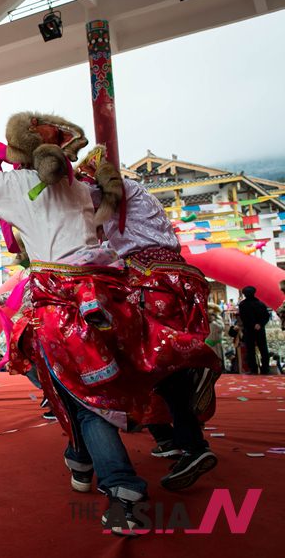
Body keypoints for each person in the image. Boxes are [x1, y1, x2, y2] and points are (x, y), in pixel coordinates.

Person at [0, 112, 171, 535]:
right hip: (103, 296)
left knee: (82, 398)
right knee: (77, 386)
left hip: (59, 306)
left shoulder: (19, 185)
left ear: (19, 152)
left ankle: (123, 487)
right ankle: (80, 460)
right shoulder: (78, 186)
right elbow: (107, 205)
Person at [76, 147, 221, 485]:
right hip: (176, 280)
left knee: (149, 363)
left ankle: (191, 436)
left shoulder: (117, 192)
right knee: (153, 364)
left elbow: (73, 200)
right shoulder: (139, 197)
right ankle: (170, 435)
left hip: (149, 283)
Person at [238, 286, 271, 375]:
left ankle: (253, 369)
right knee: (263, 349)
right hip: (260, 329)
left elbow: (243, 318)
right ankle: (265, 369)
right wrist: (260, 324)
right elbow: (266, 316)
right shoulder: (260, 304)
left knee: (250, 350)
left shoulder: (242, 305)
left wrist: (252, 325)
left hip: (249, 330)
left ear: (244, 294)